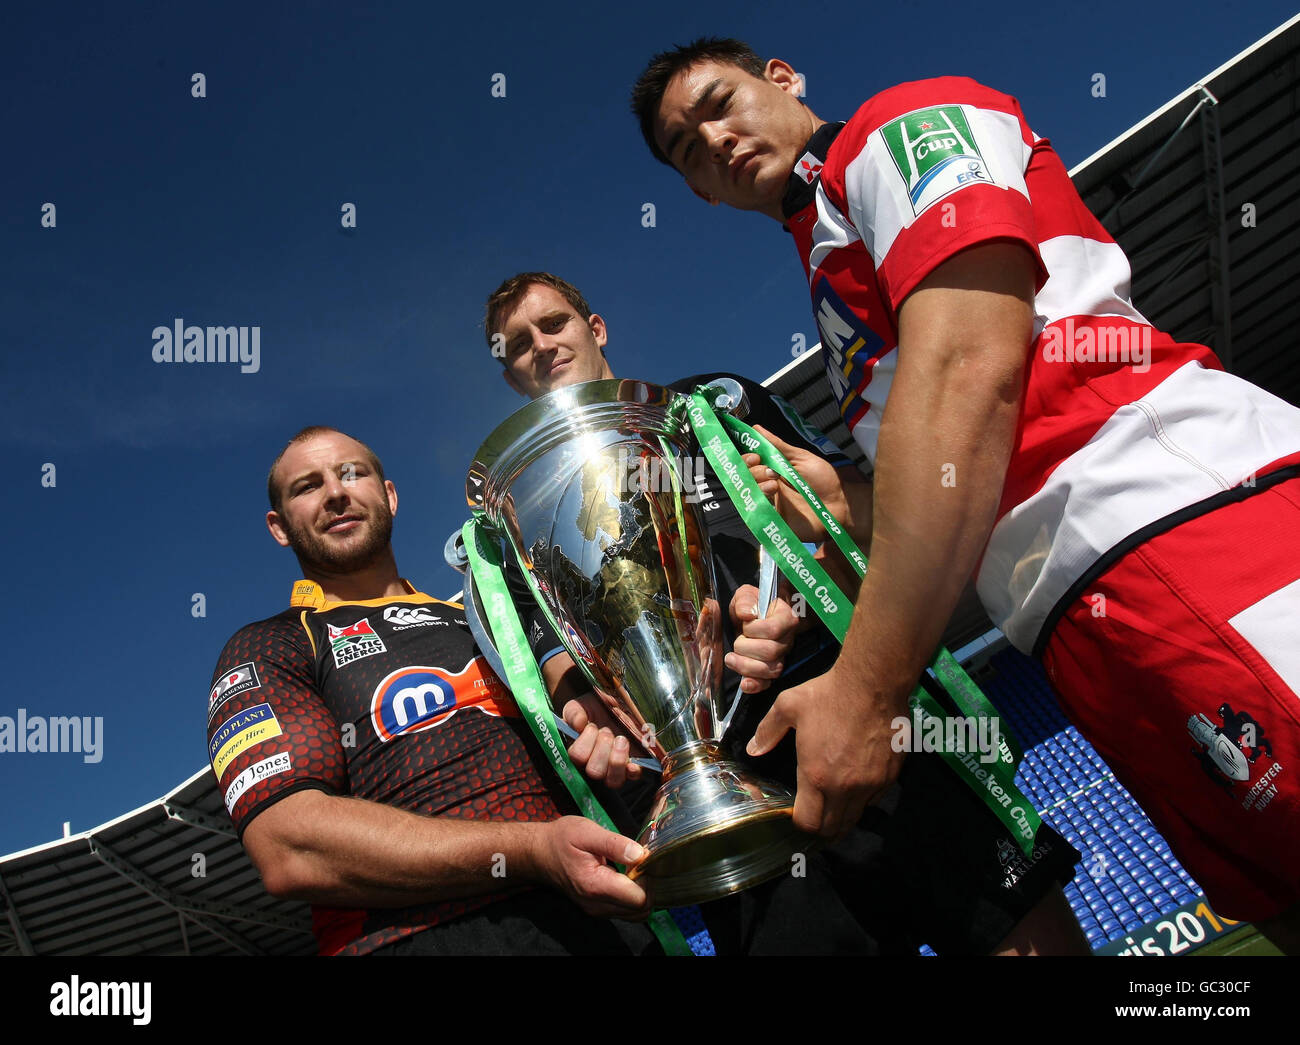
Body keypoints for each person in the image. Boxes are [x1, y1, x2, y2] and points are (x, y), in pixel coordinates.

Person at [630, 38, 1300, 942]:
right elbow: (965, 480)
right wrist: (844, 500)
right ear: (701, 194)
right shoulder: (828, 265)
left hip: (1174, 520)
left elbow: (970, 371)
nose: (711, 139)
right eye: (683, 149)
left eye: (720, 103)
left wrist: (866, 691)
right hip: (1071, 625)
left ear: (783, 77)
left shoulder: (894, 125)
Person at [482, 270, 1088, 955]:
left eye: (553, 323)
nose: (539, 345)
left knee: (1023, 937)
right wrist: (593, 713)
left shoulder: (716, 404)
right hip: (726, 792)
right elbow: (557, 660)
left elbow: (867, 517)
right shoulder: (521, 517)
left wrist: (798, 598)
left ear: (596, 329)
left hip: (862, 704)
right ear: (510, 377)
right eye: (516, 345)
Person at [206, 425, 662, 955]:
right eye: (307, 487)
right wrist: (533, 850)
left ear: (390, 495)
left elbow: (611, 727)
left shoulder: (494, 617)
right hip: (415, 938)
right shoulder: (270, 645)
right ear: (279, 527)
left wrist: (613, 736)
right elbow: (291, 847)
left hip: (609, 921)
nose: (335, 492)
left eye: (352, 473)